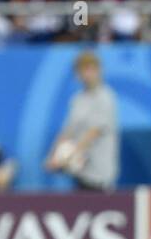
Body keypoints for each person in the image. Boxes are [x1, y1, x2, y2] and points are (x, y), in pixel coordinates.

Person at [45, 51, 119, 192]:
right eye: (82, 70)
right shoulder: (77, 99)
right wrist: (53, 155)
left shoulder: (106, 98)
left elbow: (94, 132)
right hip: (80, 172)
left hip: (100, 173)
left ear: (99, 70)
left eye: (91, 69)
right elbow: (68, 131)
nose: (87, 74)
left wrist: (69, 156)